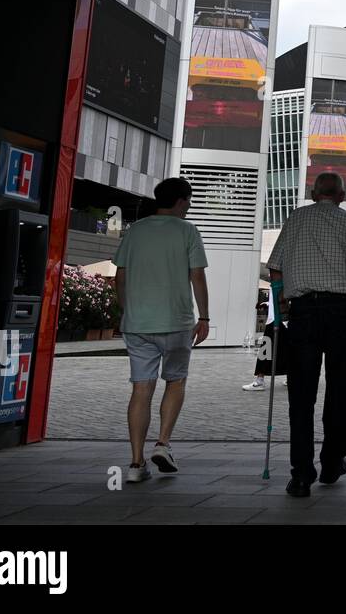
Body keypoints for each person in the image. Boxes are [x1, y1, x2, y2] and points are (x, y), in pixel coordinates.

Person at [266, 171, 346, 497]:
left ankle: (301, 475)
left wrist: (282, 305)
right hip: (342, 312)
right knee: (337, 388)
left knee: (301, 395)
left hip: (303, 313)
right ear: (341, 196)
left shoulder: (295, 220)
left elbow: (276, 268)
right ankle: (332, 462)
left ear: (314, 193)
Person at [112, 177, 210, 482]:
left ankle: (135, 463)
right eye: (190, 201)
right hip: (176, 322)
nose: (190, 206)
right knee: (175, 382)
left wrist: (128, 311)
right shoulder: (188, 230)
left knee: (141, 389)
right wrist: (204, 317)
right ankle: (163, 444)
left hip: (138, 323)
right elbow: (197, 277)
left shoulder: (135, 230)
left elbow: (120, 277)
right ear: (181, 201)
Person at [242, 289, 287, 392]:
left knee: (265, 349)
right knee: (287, 348)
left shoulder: (280, 276)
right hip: (280, 318)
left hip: (277, 319)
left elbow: (283, 297)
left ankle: (259, 381)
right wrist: (267, 304)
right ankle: (292, 378)